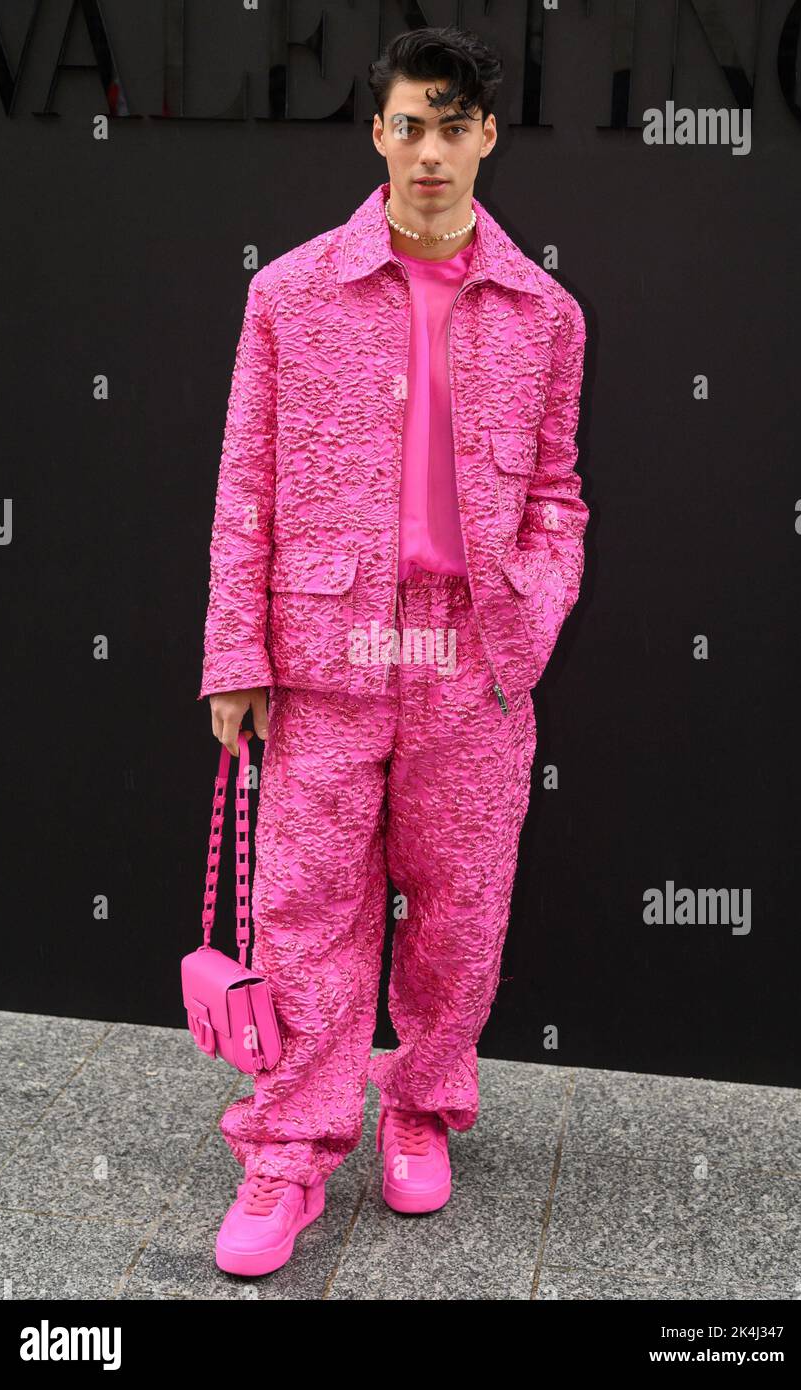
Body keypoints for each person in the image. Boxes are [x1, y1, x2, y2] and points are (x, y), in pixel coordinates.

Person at [197, 24, 588, 1277]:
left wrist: (536, 596)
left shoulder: (545, 311)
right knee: (305, 910)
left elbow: (559, 487)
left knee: (460, 910)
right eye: (406, 125)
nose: (428, 151)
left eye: (452, 125)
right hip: (322, 648)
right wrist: (234, 651)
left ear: (486, 136)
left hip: (471, 655)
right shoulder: (292, 292)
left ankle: (421, 1106)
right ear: (378, 134)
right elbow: (244, 478)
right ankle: (290, 1149)